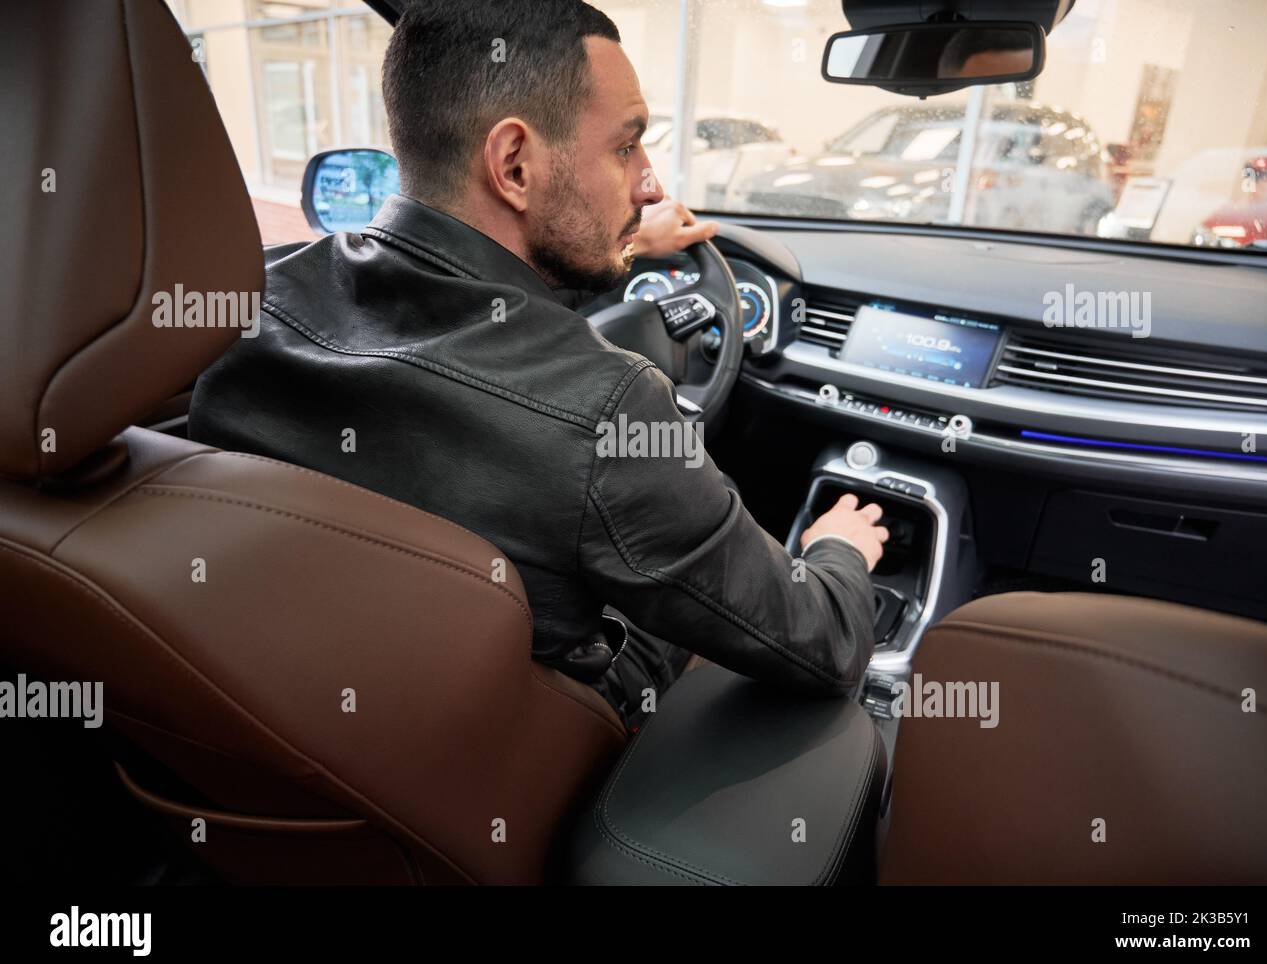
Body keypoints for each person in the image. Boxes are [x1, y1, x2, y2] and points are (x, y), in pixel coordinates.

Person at [189, 0, 888, 729]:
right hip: (547, 773)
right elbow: (826, 643)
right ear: (515, 163)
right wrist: (838, 547)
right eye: (627, 147)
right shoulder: (607, 407)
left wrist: (618, 245)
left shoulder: (252, 302)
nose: (650, 184)